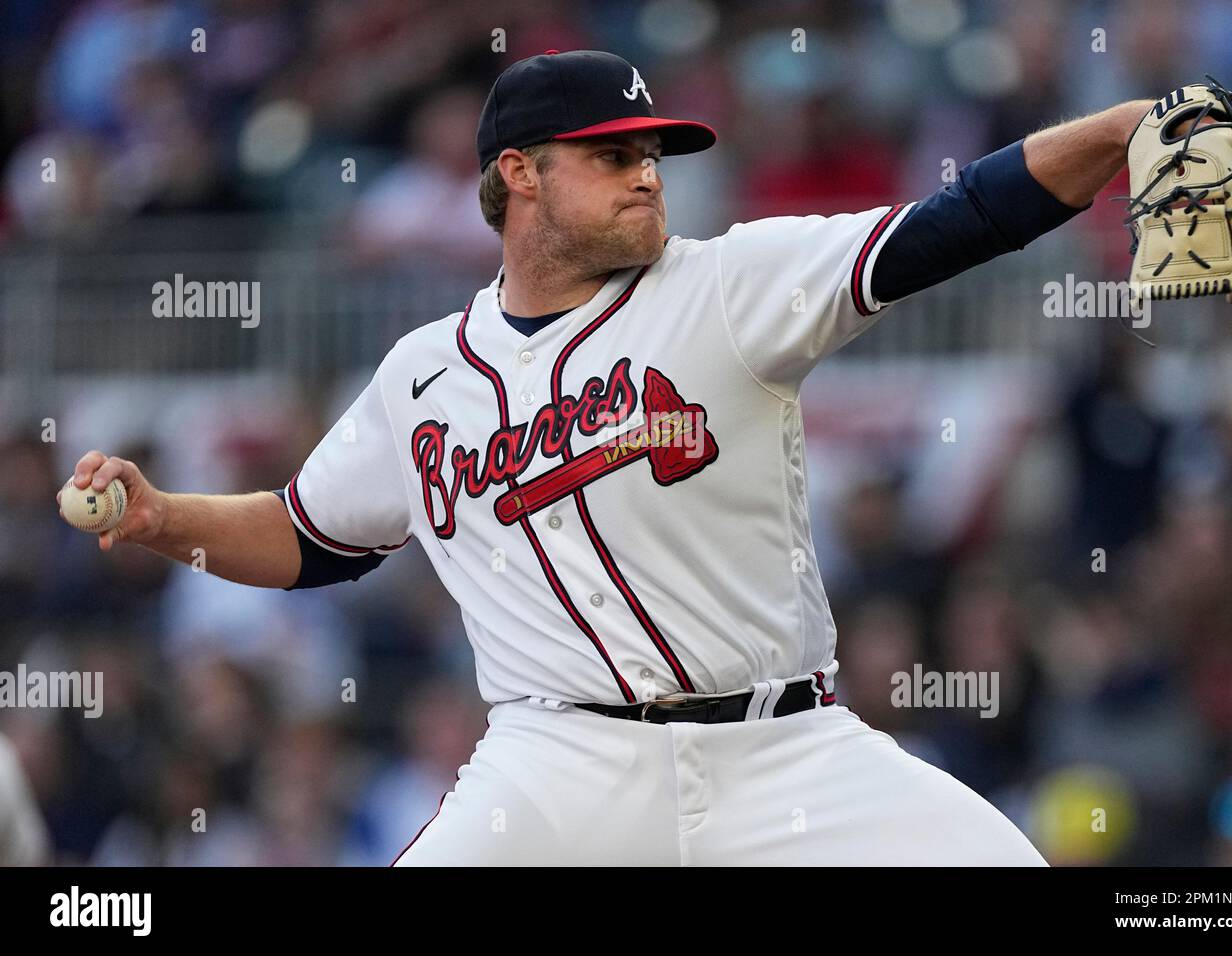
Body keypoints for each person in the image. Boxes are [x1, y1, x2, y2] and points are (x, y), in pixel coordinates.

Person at [62, 49, 1175, 865]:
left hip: (784, 746)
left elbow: (954, 219)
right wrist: (165, 517)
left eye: (651, 152)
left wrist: (1122, 126)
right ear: (520, 174)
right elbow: (309, 536)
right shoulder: (419, 376)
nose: (647, 174)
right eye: (610, 156)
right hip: (558, 764)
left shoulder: (729, 285)